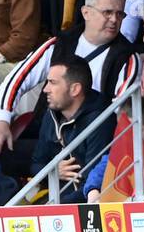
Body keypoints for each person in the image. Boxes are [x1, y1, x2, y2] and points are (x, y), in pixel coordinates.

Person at [0, 0, 138, 155]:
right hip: (47, 134)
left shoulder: (128, 57)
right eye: (107, 13)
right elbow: (17, 79)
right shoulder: (59, 44)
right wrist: (2, 121)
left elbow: (119, 110)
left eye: (120, 14)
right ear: (86, 13)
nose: (114, 20)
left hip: (92, 142)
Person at [29, 55, 114, 201]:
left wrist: (54, 209)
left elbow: (92, 181)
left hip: (82, 203)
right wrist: (53, 171)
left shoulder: (100, 119)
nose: (45, 89)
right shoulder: (51, 114)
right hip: (53, 198)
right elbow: (35, 164)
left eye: (52, 83)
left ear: (75, 89)